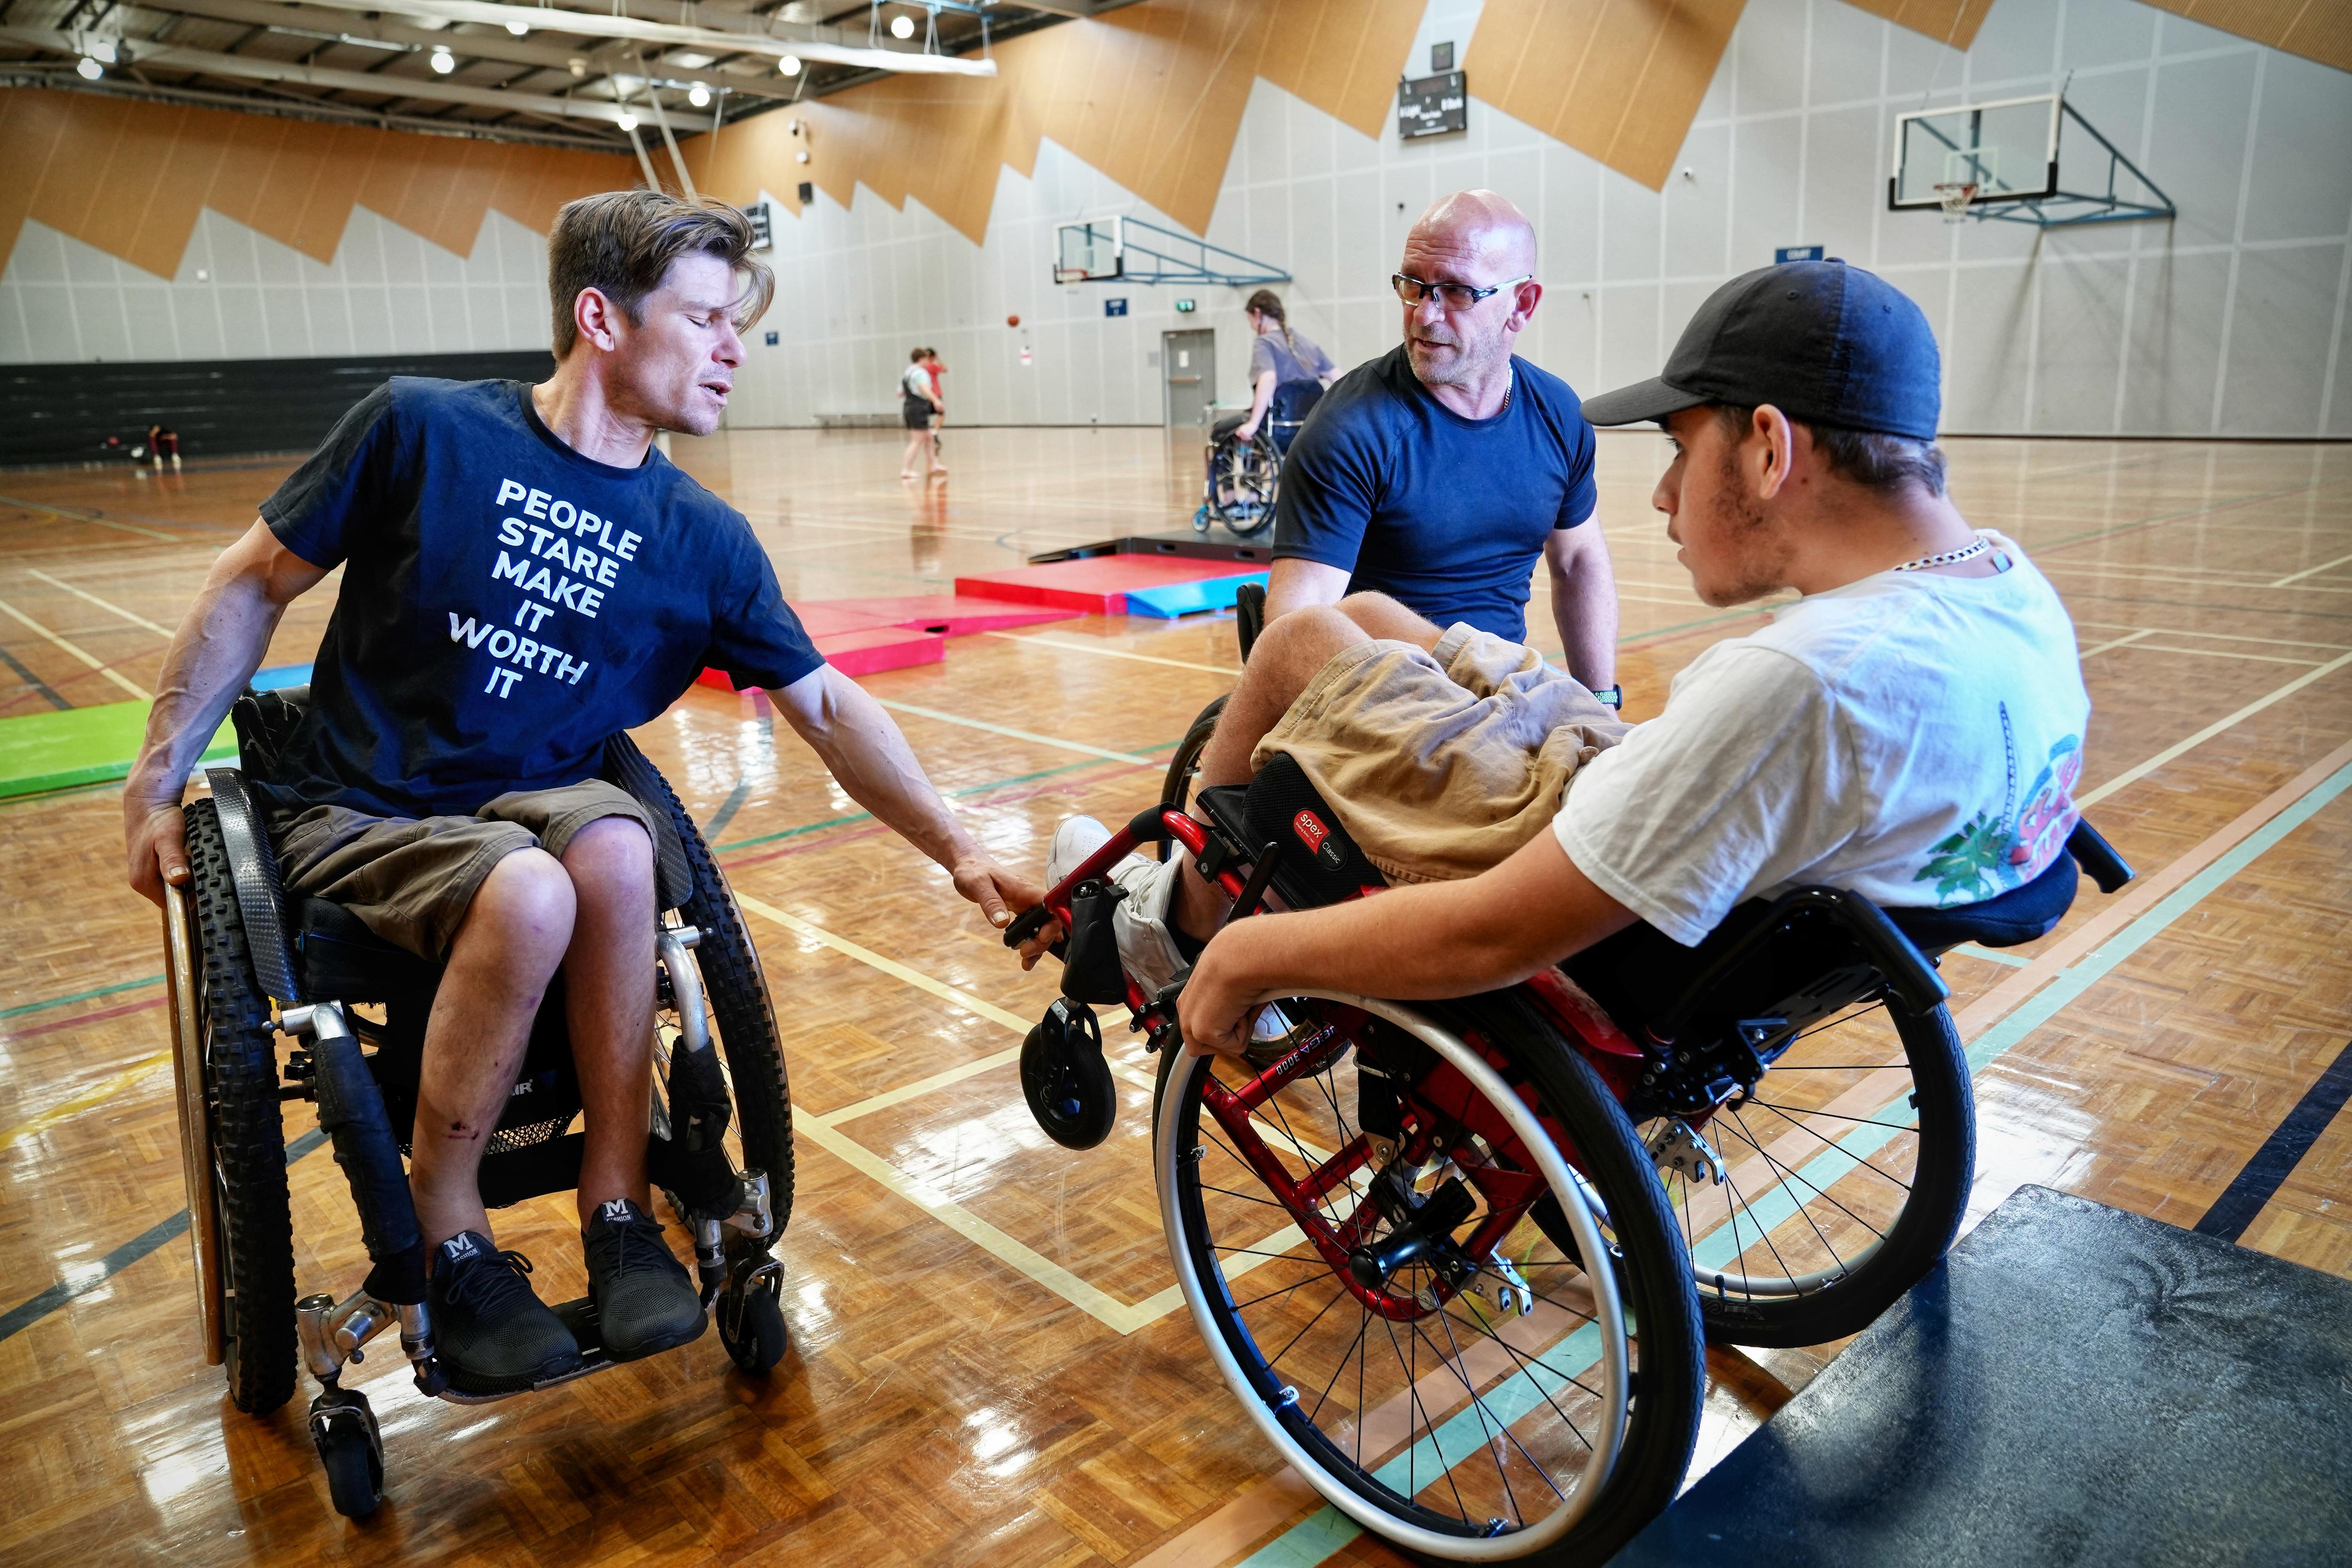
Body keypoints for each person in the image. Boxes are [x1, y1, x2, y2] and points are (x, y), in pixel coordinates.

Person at [124, 191, 1038, 1396]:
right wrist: (157, 780)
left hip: (544, 805)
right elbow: (254, 582)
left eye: (738, 323)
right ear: (599, 318)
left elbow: (823, 706)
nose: (735, 348)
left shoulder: (702, 536)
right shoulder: (425, 431)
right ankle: (450, 1239)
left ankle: (619, 1208)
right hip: (360, 809)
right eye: (707, 317)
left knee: (616, 849)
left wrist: (961, 850)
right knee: (532, 892)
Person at [1018, 262, 2090, 1063]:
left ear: (1770, 447)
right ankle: (1183, 885)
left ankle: (1178, 919)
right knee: (1384, 611)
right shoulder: (2007, 589)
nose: (1665, 496)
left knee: (1303, 637)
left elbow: (1492, 933)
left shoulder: (1801, 685)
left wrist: (1253, 961)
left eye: (1681, 449)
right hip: (1663, 827)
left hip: (1560, 865)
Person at [1264, 191, 1620, 703]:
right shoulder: (1351, 428)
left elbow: (1578, 561)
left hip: (1501, 694)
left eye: (1454, 292)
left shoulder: (1556, 413)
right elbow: (1295, 627)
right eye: (1413, 285)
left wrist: (1600, 700)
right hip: (1384, 702)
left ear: (1520, 305)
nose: (1423, 316)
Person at [1223, 289, 1334, 451]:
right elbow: (1340, 378)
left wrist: (1253, 424)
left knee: (1222, 430)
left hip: (1276, 429)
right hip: (1309, 429)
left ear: (1257, 313)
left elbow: (1269, 379)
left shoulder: (1264, 343)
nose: (1253, 327)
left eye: (1251, 321)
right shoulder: (1307, 344)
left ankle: (1238, 475)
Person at [900, 346, 944, 478]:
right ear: (922, 359)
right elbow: (923, 387)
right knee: (917, 441)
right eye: (926, 359)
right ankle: (906, 470)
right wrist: (936, 400)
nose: (928, 362)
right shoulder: (920, 373)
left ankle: (934, 464)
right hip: (918, 407)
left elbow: (900, 392)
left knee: (929, 437)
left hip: (909, 406)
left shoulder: (908, 373)